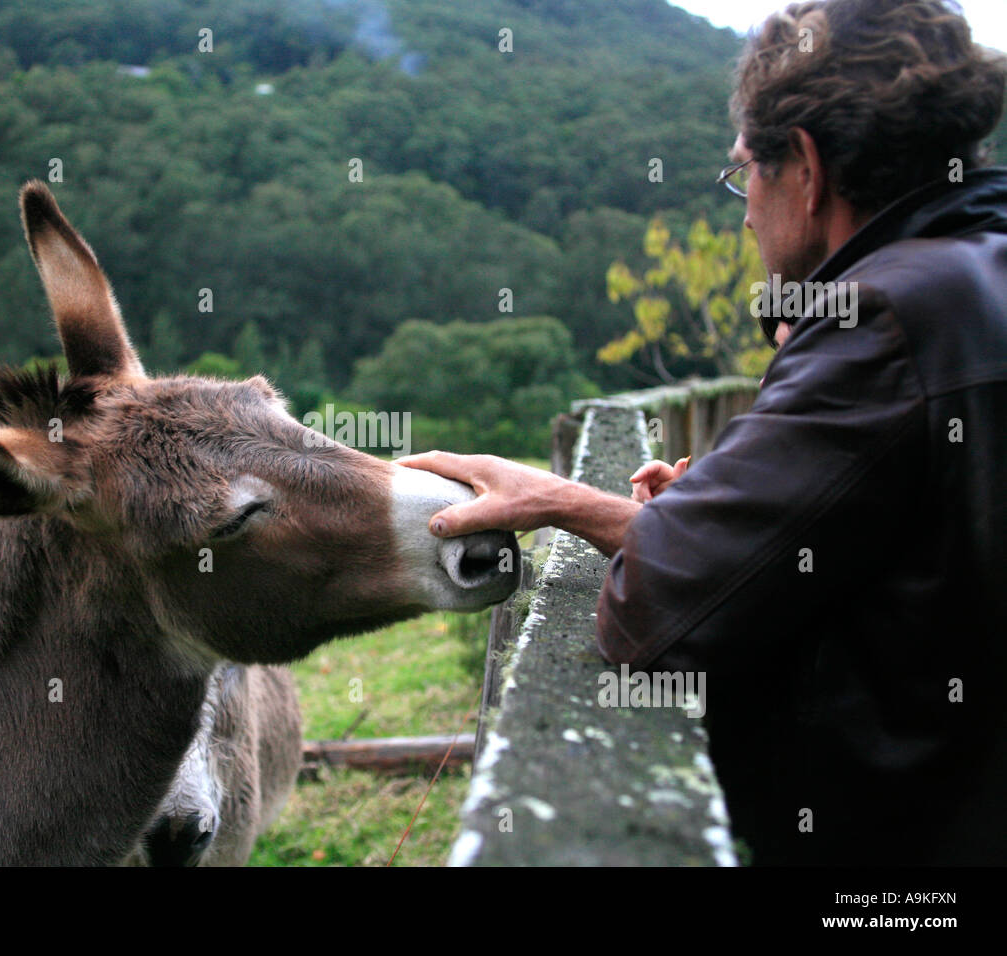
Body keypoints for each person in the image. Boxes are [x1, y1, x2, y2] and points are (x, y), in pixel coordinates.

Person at [399, 0, 1007, 865]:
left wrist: (568, 503)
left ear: (804, 164)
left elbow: (661, 607)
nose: (746, 215)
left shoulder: (878, 317)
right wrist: (726, 513)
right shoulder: (972, 278)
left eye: (741, 178)